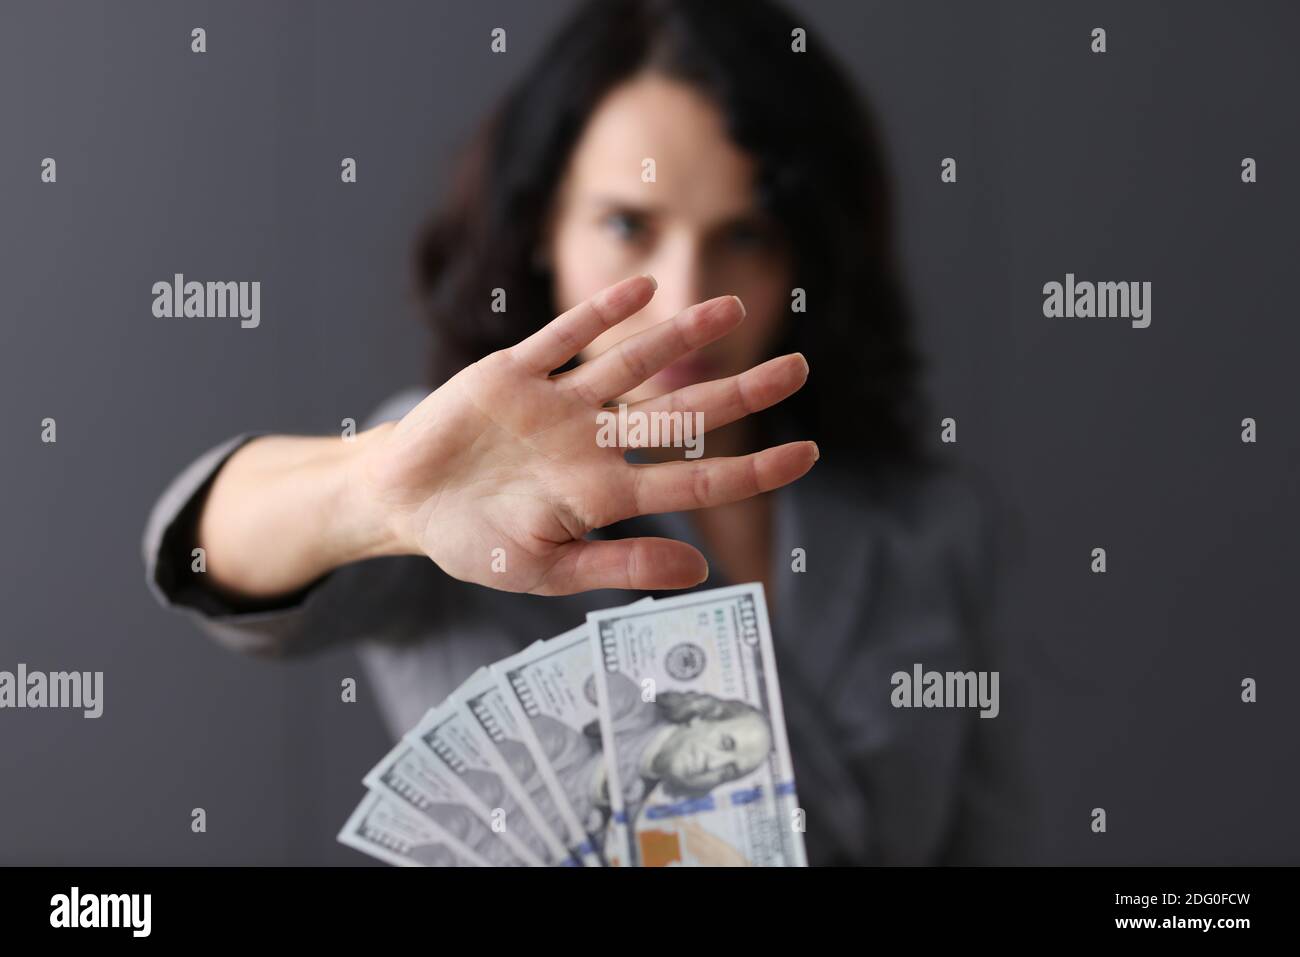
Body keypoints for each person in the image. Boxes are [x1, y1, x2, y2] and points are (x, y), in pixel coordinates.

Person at [142, 0, 1016, 865]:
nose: (687, 298)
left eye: (745, 234)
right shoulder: (449, 476)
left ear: (804, 257)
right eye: (628, 225)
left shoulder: (925, 521)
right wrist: (373, 492)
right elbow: (199, 550)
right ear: (540, 229)